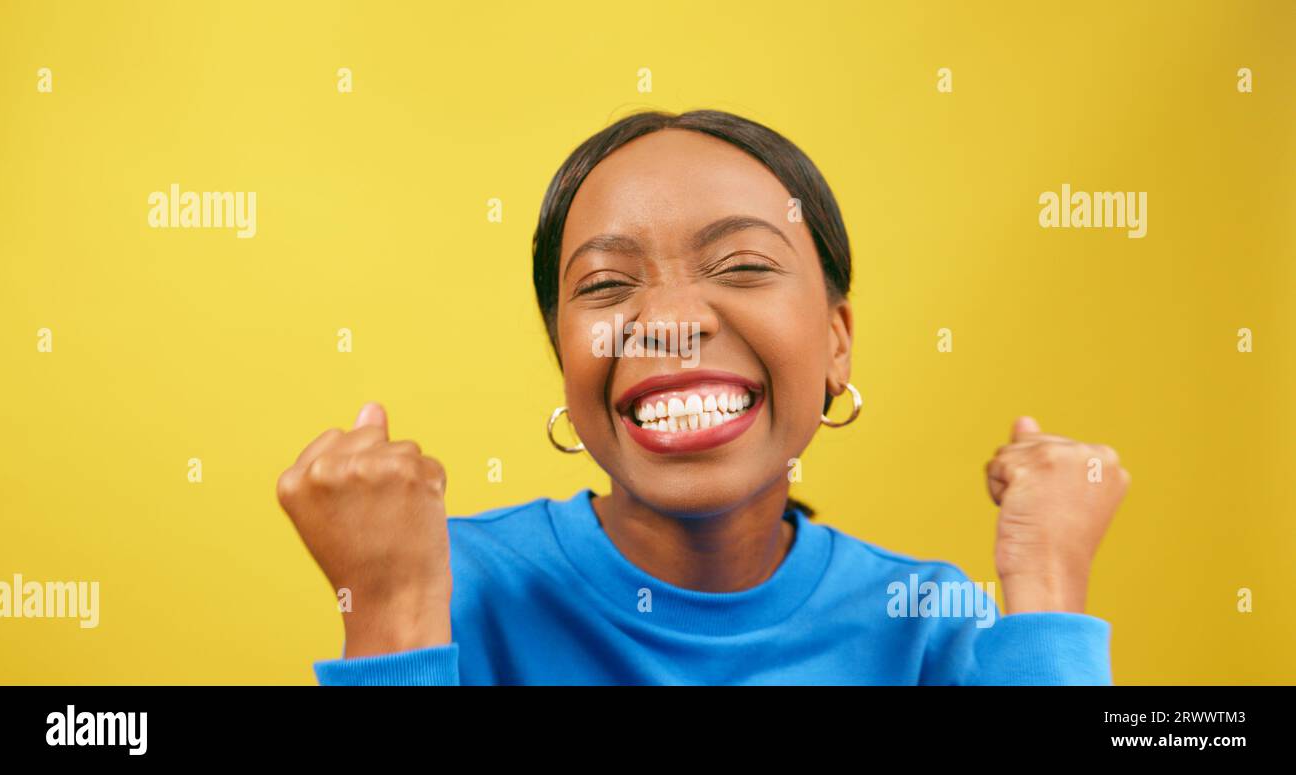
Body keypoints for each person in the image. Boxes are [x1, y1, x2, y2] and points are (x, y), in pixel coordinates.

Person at [275, 110, 1130, 685]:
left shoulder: (930, 628)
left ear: (837, 339)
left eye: (744, 267)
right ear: (564, 359)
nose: (674, 323)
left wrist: (1049, 588)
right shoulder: (441, 587)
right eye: (606, 285)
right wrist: (386, 615)